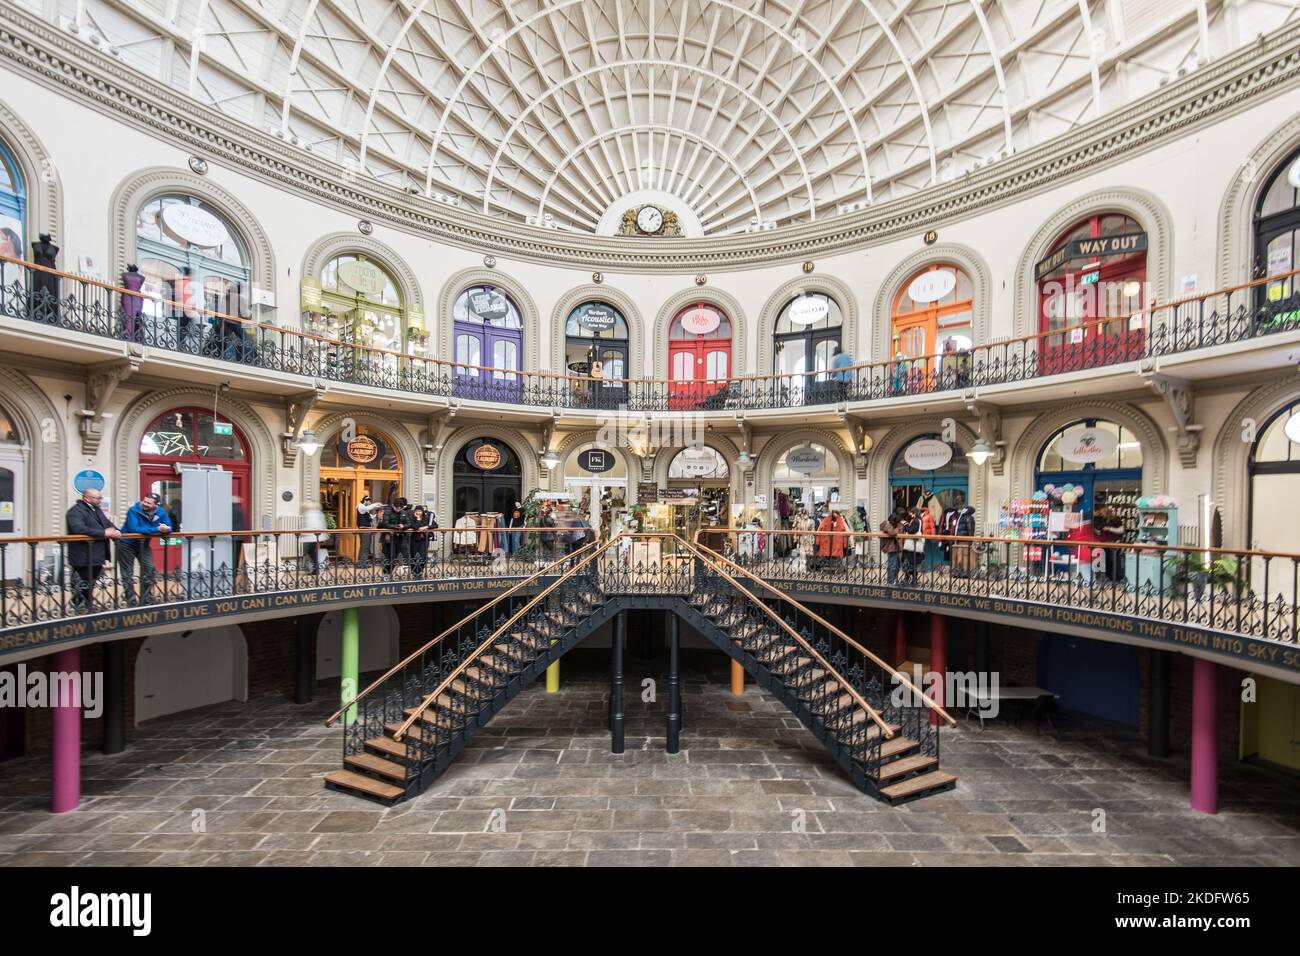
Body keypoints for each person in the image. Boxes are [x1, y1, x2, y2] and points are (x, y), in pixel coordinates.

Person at [65, 487, 121, 611]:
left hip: (97, 554)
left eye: (100, 497)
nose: (100, 500)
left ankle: (88, 604)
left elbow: (106, 523)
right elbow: (78, 529)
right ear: (86, 498)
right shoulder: (75, 511)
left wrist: (115, 531)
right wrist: (104, 533)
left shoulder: (96, 509)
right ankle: (79, 604)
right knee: (81, 581)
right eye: (97, 498)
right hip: (82, 554)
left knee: (91, 581)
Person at [117, 493, 172, 605]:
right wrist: (157, 529)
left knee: (150, 569)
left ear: (155, 505)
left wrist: (166, 529)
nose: (145, 504)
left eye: (148, 503)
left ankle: (145, 597)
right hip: (126, 544)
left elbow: (168, 526)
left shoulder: (160, 512)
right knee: (127, 572)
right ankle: (130, 599)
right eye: (144, 501)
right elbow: (134, 529)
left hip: (143, 544)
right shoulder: (133, 510)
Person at [381, 496, 414, 573]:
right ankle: (386, 573)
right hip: (390, 537)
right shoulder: (387, 511)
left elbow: (409, 523)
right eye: (397, 508)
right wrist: (395, 527)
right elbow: (385, 523)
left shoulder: (404, 512)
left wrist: (404, 526)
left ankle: (389, 573)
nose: (398, 510)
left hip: (400, 537)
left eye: (400, 508)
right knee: (390, 557)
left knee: (395, 556)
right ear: (393, 505)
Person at [355, 495, 385, 566]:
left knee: (366, 546)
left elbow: (371, 516)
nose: (370, 502)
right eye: (369, 501)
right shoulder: (360, 506)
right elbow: (367, 508)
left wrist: (377, 514)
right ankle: (361, 563)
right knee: (364, 546)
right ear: (365, 500)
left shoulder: (365, 509)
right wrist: (376, 504)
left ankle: (363, 562)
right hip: (364, 529)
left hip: (367, 530)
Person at [300, 505, 328, 576]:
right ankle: (315, 568)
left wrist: (303, 532)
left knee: (312, 552)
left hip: (312, 536)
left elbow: (309, 526)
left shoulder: (311, 514)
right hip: (314, 536)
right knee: (312, 552)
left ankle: (315, 568)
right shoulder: (317, 513)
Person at [409, 505, 437, 577]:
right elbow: (415, 527)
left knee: (423, 556)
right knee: (414, 556)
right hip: (414, 539)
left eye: (420, 511)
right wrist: (418, 519)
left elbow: (435, 525)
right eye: (417, 511)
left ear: (422, 512)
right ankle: (414, 572)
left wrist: (426, 527)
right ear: (414, 512)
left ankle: (420, 572)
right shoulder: (412, 518)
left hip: (424, 539)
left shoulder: (426, 518)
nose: (418, 512)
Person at [951, 504, 978, 577]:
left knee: (959, 556)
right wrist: (971, 540)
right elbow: (970, 529)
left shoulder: (959, 517)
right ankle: (965, 572)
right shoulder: (969, 518)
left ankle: (957, 572)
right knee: (965, 556)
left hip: (958, 539)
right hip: (965, 540)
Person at [880, 510, 903, 584]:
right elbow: (892, 533)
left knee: (896, 565)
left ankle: (893, 580)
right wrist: (898, 529)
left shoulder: (892, 525)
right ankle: (890, 582)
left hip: (894, 547)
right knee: (892, 565)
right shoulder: (888, 525)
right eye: (898, 521)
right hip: (891, 548)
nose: (899, 523)